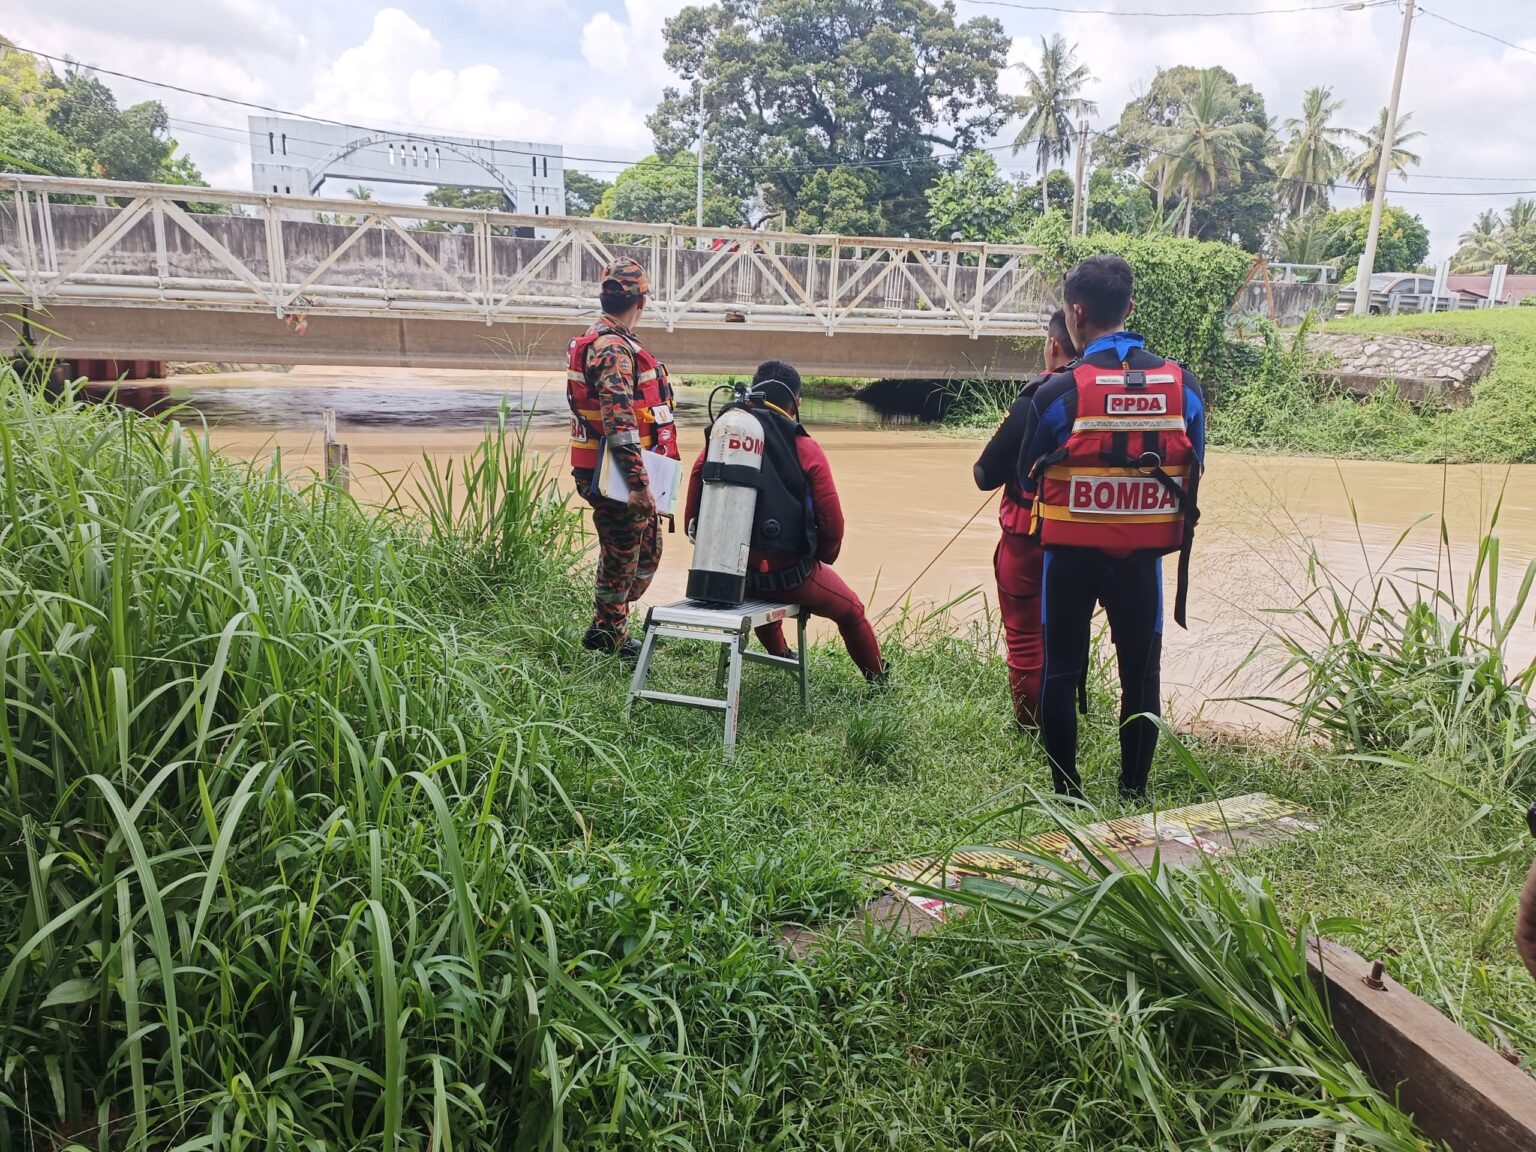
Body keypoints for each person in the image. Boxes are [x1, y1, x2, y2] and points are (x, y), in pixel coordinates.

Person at [1015, 255, 1205, 799]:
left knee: (1060, 670)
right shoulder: (1183, 387)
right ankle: (1133, 791)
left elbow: (1027, 480)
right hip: (1143, 560)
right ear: (1130, 307)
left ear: (1075, 313)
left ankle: (1067, 794)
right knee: (1142, 676)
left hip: (1069, 558)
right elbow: (1194, 469)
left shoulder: (1057, 393)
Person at [683, 360, 885, 681]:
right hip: (791, 578)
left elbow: (695, 496)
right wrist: (820, 558)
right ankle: (879, 680)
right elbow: (832, 522)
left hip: (725, 574)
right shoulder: (805, 447)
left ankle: (780, 653)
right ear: (796, 402)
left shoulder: (726, 437)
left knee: (758, 583)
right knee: (851, 611)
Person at [566, 257, 680, 658]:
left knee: (643, 553)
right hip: (614, 476)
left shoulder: (608, 341)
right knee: (622, 555)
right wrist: (638, 484)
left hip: (618, 471)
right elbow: (620, 422)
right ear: (642, 301)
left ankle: (606, 624)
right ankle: (609, 636)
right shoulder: (613, 349)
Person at [972, 309, 1079, 728]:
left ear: (1053, 345)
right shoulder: (1106, 391)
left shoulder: (1041, 395)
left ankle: (1032, 727)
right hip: (1089, 538)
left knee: (1025, 642)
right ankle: (1068, 719)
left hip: (1028, 539)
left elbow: (984, 475)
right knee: (1067, 637)